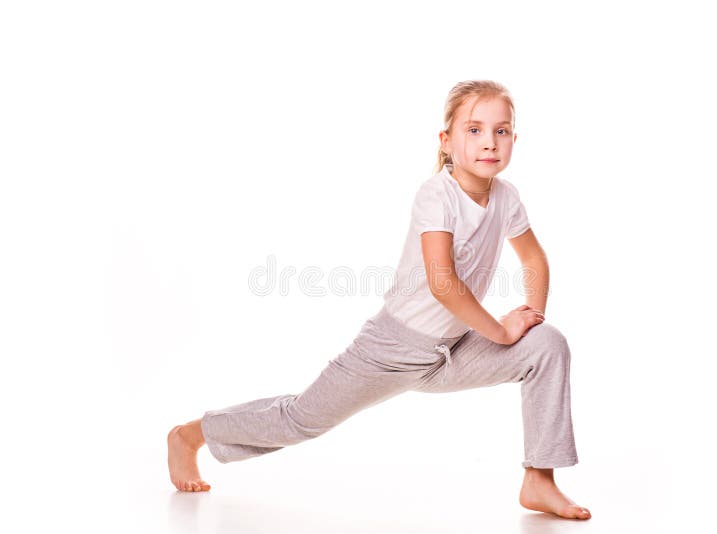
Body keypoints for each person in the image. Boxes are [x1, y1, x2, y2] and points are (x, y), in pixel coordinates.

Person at [167, 80, 591, 520]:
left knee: (547, 345)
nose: (490, 142)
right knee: (300, 419)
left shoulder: (507, 197)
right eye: (474, 130)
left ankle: (539, 479)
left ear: (514, 140)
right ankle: (190, 435)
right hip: (391, 347)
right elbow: (442, 281)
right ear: (447, 142)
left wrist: (532, 318)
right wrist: (502, 331)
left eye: (501, 131)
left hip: (455, 349)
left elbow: (535, 260)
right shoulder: (437, 194)